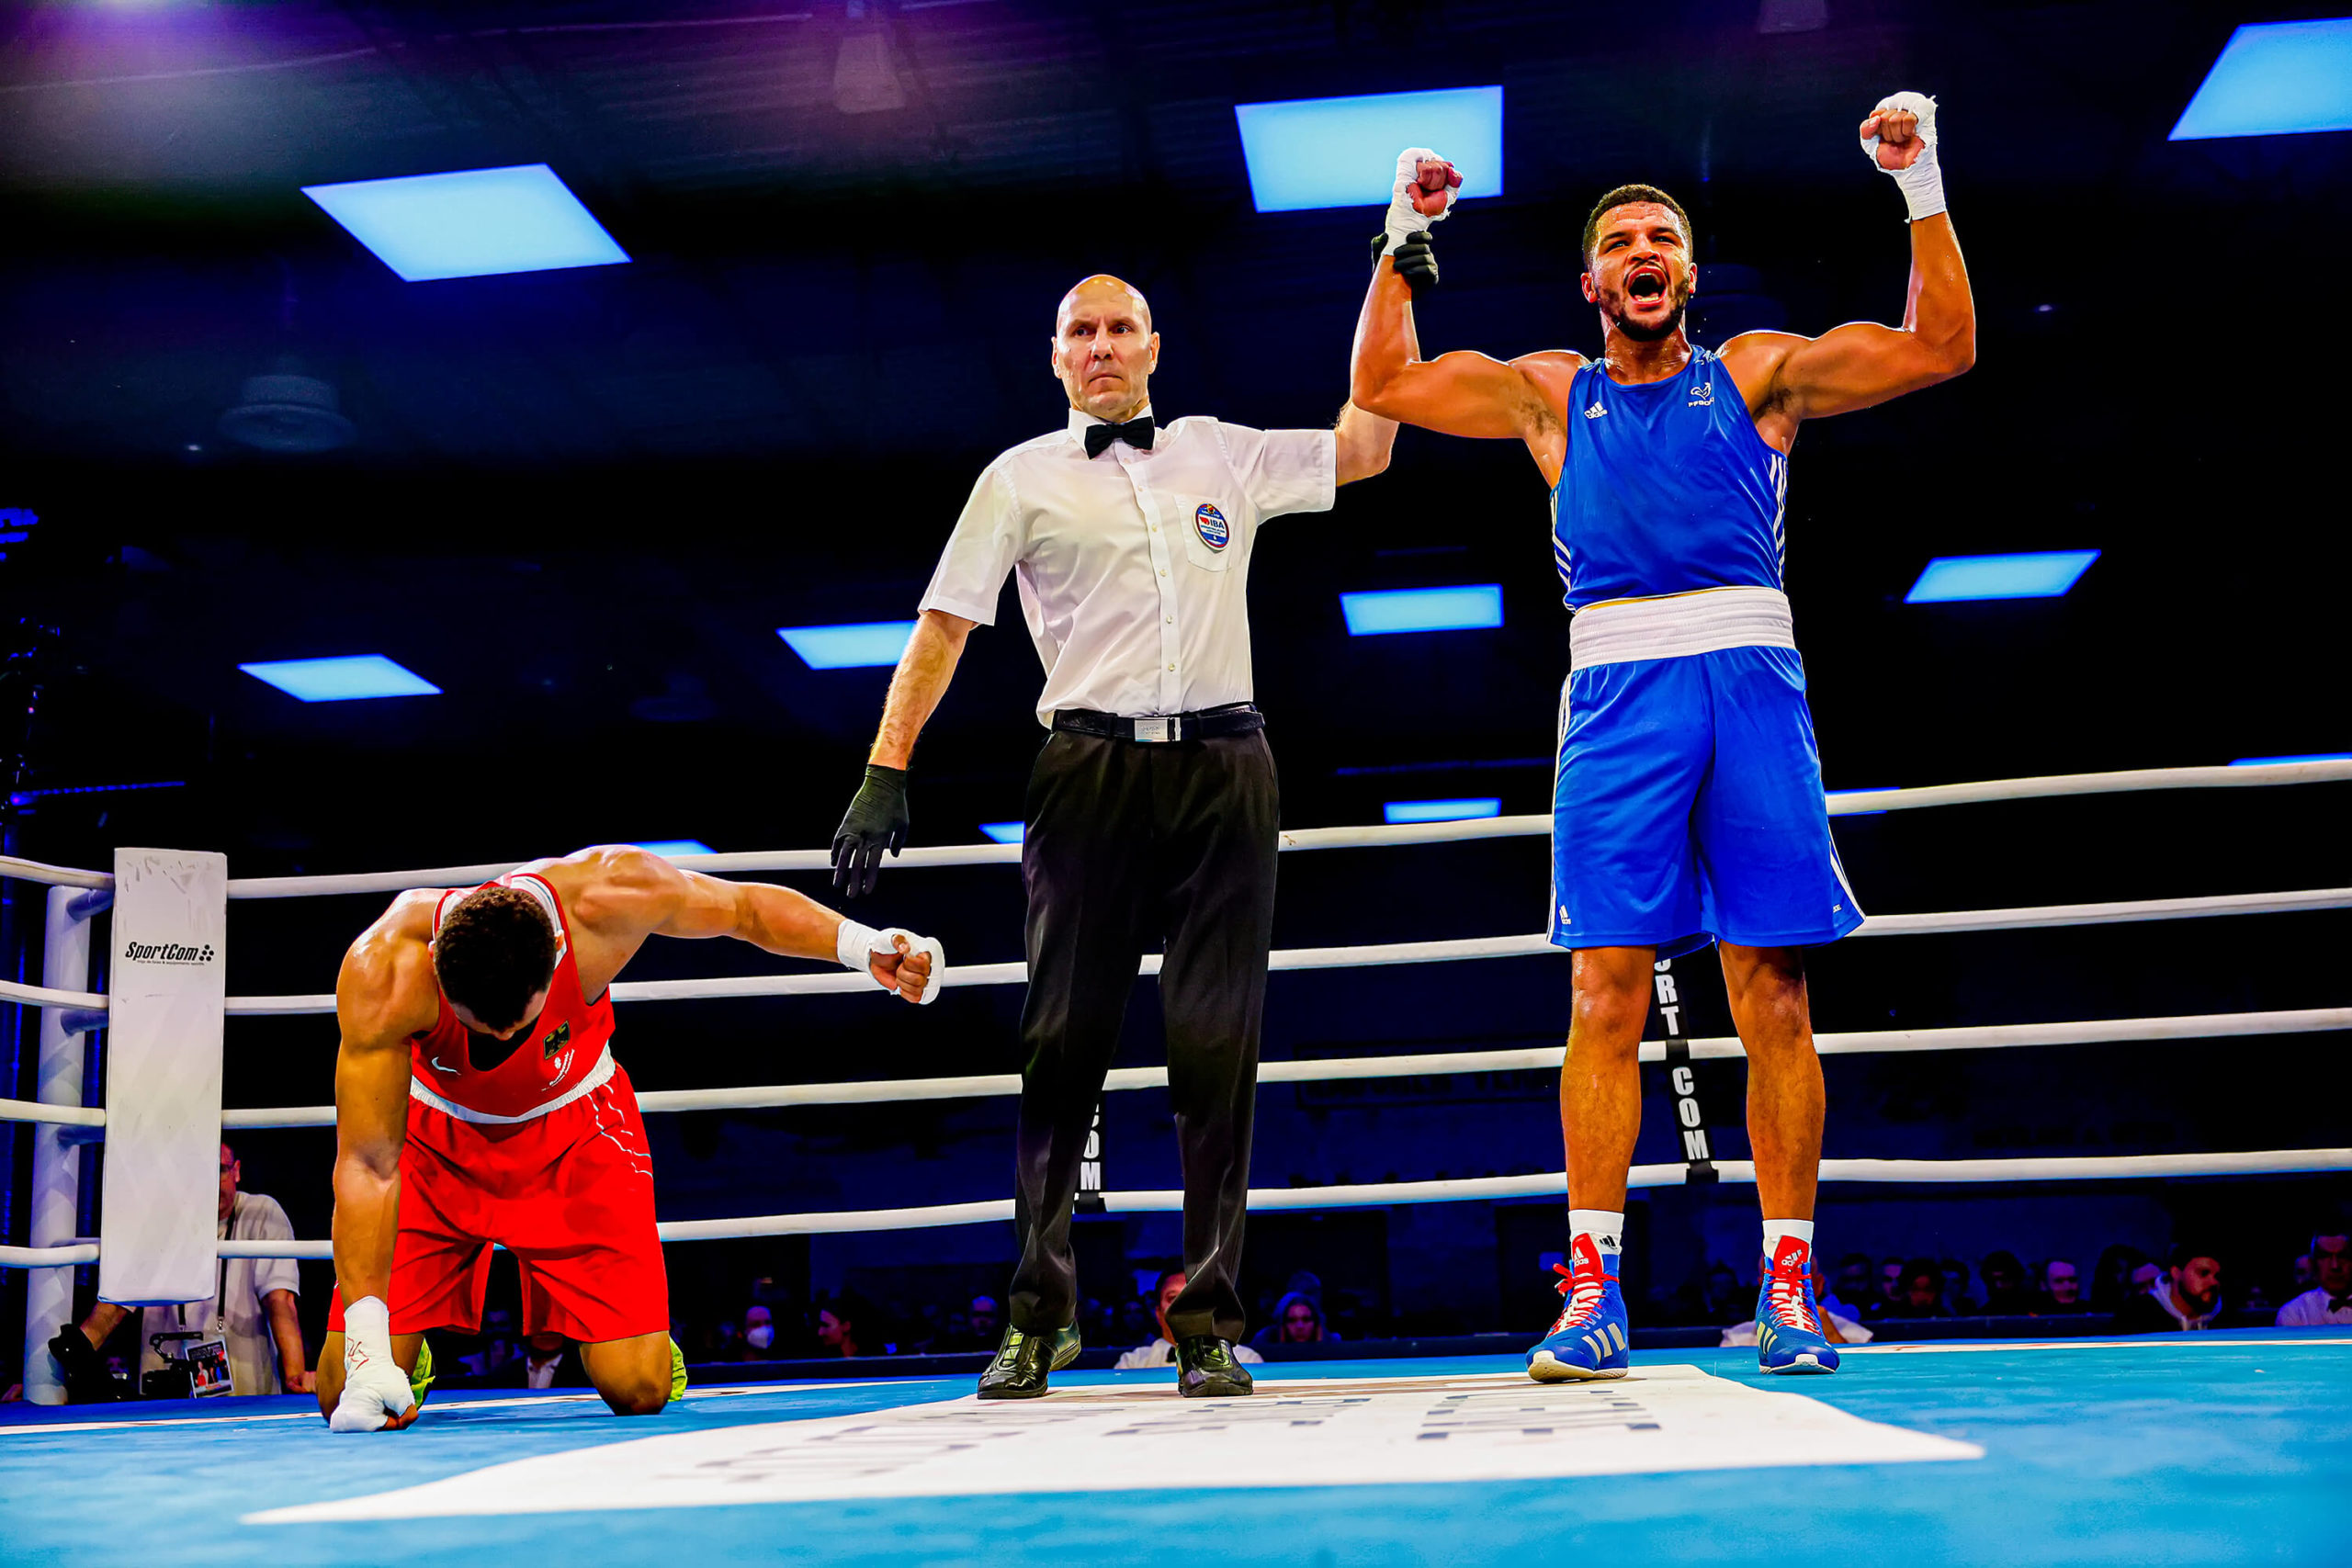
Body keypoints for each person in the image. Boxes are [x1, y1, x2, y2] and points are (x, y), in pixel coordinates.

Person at [1350, 93, 1973, 1383]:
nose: (1646, 256)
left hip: (1750, 676)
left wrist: (1918, 184)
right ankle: (1591, 1294)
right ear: (1591, 278)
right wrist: (1402, 231)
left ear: (1688, 270)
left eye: (1664, 240)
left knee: (1774, 988)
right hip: (1617, 694)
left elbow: (1943, 346)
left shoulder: (1759, 371)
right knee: (1602, 989)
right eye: (1624, 242)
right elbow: (1386, 386)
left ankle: (1788, 1288)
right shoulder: (1547, 395)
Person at [831, 274, 1396, 1401]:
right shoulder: (1017, 478)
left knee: (1216, 1048)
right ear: (1055, 357)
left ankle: (1207, 1324)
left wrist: (1395, 258)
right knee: (1061, 1044)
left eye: (1118, 328)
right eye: (1080, 331)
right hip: (1087, 766)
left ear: (1153, 345)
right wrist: (884, 768)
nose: (1100, 346)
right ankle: (1039, 1320)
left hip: (1228, 762)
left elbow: (1367, 441)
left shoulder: (1220, 451)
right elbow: (943, 626)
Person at [315, 845, 941, 1433]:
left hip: (575, 1135)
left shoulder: (605, 897)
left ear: (558, 951)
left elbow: (744, 909)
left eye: (518, 1025)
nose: (502, 1042)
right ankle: (400, 1348)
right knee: (342, 1384)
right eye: (483, 1026)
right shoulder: (385, 966)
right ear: (438, 971)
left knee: (639, 1389)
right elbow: (368, 1163)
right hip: (435, 1146)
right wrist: (369, 1344)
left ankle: (637, 1331)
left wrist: (864, 946)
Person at [46, 1141, 311, 1400]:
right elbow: (116, 1303)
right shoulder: (160, 1218)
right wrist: (51, 1380)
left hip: (246, 1394)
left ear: (237, 1171)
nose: (211, 1184)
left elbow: (280, 1300)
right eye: (201, 1173)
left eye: (219, 1170)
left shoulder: (261, 1213)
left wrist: (295, 1375)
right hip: (165, 1395)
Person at [1115, 1269, 1265, 1371]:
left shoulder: (1246, 1360)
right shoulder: (1132, 1364)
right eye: (1173, 1298)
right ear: (1158, 1313)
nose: (1183, 1305)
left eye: (1194, 1297)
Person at [2114, 1244, 2225, 1333]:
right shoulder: (2135, 1317)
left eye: (2217, 1276)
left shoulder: (2228, 1320)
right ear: (2176, 1273)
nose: (2214, 1282)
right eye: (2203, 1273)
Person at [2274, 1228, 2352, 1327]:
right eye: (2325, 1256)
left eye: (2343, 1256)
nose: (2335, 1266)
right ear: (2314, 1264)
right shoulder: (2294, 1313)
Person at [1251, 1291, 1336, 1350]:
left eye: (1306, 1320)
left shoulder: (1334, 1346)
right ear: (1283, 1324)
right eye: (1291, 1320)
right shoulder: (1264, 1343)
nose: (1300, 1326)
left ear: (1316, 1323)